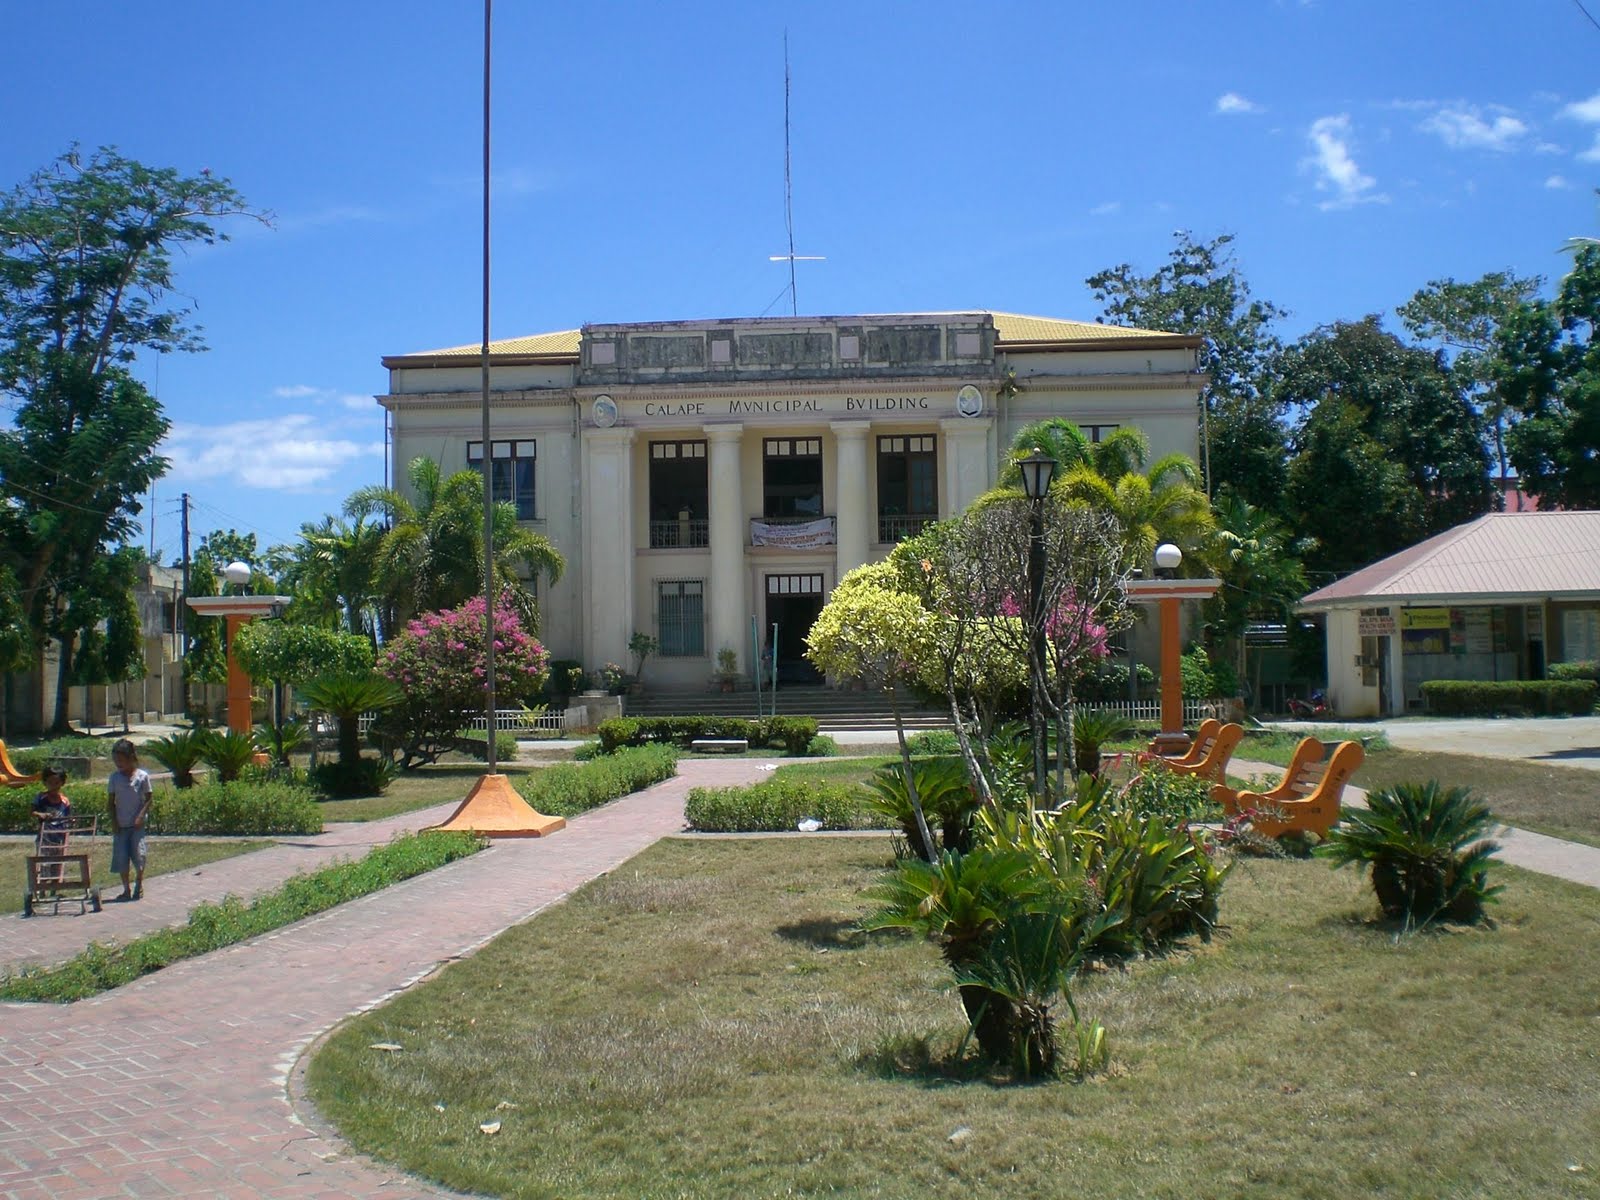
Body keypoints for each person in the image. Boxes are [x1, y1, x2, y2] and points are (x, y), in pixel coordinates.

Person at [106, 738, 152, 901]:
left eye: (121, 760)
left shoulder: (142, 776)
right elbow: (111, 802)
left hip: (137, 825)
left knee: (139, 855)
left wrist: (140, 816)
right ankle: (126, 889)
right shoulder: (114, 778)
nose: (118, 764)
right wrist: (114, 821)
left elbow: (148, 799)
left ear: (131, 757)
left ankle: (139, 883)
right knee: (121, 857)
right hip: (121, 824)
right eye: (115, 760)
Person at [31, 766, 72, 854]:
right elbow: (32, 812)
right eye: (50, 782)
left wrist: (71, 820)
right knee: (43, 862)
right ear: (45, 783)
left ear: (62, 783)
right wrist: (41, 814)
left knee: (58, 862)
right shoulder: (40, 797)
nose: (53, 786)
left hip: (60, 836)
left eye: (57, 783)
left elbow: (68, 817)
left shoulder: (65, 801)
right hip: (44, 835)